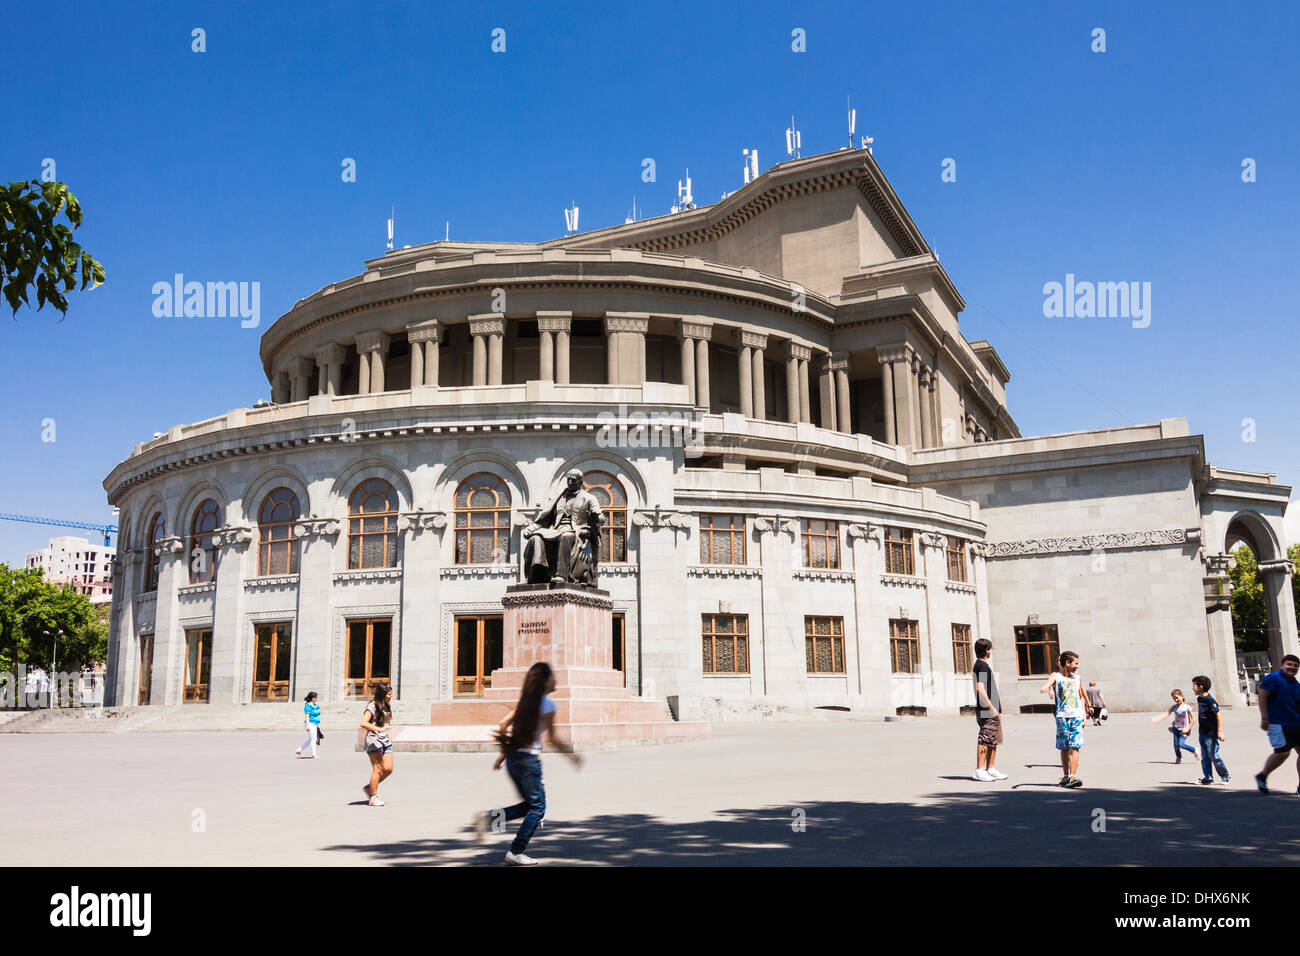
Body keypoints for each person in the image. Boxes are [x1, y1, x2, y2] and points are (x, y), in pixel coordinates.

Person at [473, 662, 582, 865]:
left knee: (529, 806)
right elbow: (553, 738)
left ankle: (488, 819)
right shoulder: (548, 705)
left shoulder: (525, 702)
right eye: (553, 677)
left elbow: (504, 725)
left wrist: (502, 757)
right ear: (546, 681)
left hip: (514, 761)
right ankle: (516, 851)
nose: (555, 680)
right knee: (538, 808)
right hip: (528, 762)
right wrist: (572, 756)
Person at [1039, 651, 1092, 788]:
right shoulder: (1057, 676)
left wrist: (1084, 713)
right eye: (1076, 663)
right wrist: (1046, 688)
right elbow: (1049, 682)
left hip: (1076, 717)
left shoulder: (1077, 678)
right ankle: (1066, 776)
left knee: (1075, 746)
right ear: (1067, 663)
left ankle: (1072, 777)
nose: (1077, 666)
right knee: (1064, 747)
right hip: (1062, 717)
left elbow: (1079, 695)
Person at [1254, 654, 1300, 795]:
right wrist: (1265, 718)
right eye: (1289, 664)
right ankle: (1262, 776)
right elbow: (1262, 696)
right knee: (1283, 753)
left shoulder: (1296, 684)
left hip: (1296, 724)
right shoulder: (1273, 678)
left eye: (1295, 665)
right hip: (1278, 723)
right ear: (1282, 665)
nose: (1292, 667)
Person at [971, 638, 1007, 781]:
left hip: (990, 709)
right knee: (985, 738)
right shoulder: (982, 666)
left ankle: (990, 768)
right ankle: (979, 770)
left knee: (993, 739)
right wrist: (990, 706)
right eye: (991, 649)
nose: (991, 651)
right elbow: (980, 687)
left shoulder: (980, 665)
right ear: (987, 650)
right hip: (987, 709)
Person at [360, 683, 394, 807]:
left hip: (385, 739)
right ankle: (373, 797)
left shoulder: (386, 705)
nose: (391, 696)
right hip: (374, 739)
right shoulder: (372, 705)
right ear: (382, 694)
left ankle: (370, 787)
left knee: (389, 769)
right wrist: (378, 729)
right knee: (378, 769)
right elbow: (363, 723)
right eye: (389, 694)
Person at [1192, 675, 1229, 784]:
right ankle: (1208, 778)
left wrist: (1220, 731)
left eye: (1194, 686)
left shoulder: (1209, 700)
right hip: (1202, 732)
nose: (1193, 688)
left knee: (1213, 755)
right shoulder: (1200, 699)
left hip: (1211, 733)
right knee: (1205, 757)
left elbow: (1218, 715)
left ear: (1201, 687)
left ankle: (1225, 775)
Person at [1147, 689, 1197, 763]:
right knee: (1176, 745)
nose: (1176, 700)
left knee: (1181, 744)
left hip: (1184, 729)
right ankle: (1178, 757)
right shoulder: (1174, 707)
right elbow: (1166, 714)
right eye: (1174, 698)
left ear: (1182, 696)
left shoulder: (1187, 707)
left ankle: (1194, 750)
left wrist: (1188, 728)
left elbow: (1193, 719)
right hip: (1176, 728)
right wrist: (1156, 719)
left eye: (1177, 697)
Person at [297, 691, 321, 758]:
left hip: (315, 723)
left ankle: (299, 750)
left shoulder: (316, 706)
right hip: (310, 723)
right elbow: (307, 716)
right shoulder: (308, 705)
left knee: (311, 739)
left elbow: (317, 716)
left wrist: (318, 725)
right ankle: (314, 754)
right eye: (315, 697)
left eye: (316, 697)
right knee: (313, 739)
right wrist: (307, 725)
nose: (316, 699)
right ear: (311, 698)